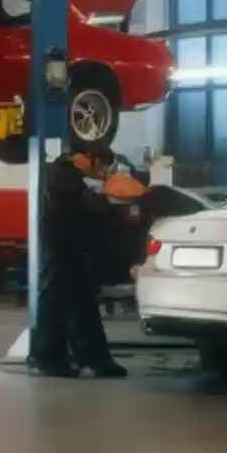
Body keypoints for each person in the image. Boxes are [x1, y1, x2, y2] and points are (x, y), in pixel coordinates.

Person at [29, 147, 146, 378]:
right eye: (101, 166)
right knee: (57, 305)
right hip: (62, 251)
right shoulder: (62, 176)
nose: (101, 172)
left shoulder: (71, 177)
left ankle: (95, 359)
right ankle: (51, 359)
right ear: (87, 158)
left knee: (83, 306)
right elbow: (84, 205)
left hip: (75, 250)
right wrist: (112, 201)